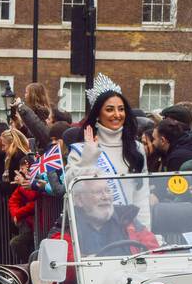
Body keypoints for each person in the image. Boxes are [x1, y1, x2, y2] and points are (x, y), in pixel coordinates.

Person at [33, 177, 157, 284]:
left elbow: (154, 251)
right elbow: (69, 268)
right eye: (98, 192)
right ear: (79, 199)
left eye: (107, 191)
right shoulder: (66, 227)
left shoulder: (128, 221)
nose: (106, 196)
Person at [62, 74, 149, 224]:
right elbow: (69, 184)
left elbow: (141, 196)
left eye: (121, 109)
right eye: (109, 109)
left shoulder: (137, 148)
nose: (117, 114)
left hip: (127, 228)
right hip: (92, 230)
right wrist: (88, 158)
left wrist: (144, 231)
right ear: (97, 114)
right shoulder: (82, 149)